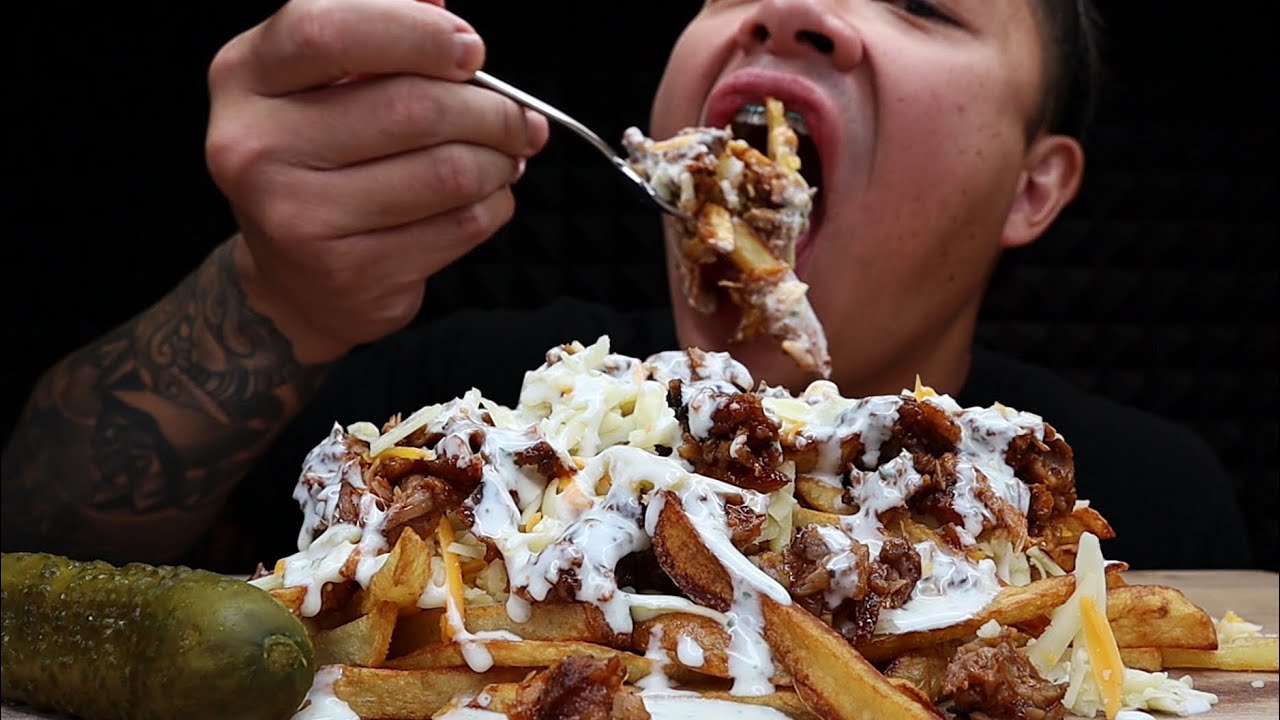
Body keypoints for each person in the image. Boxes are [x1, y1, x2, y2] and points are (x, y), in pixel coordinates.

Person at [0, 0, 1252, 572]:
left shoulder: (1130, 504)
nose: (791, 12)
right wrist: (273, 299)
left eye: (921, 3)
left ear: (1035, 187)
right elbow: (34, 551)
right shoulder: (442, 421)